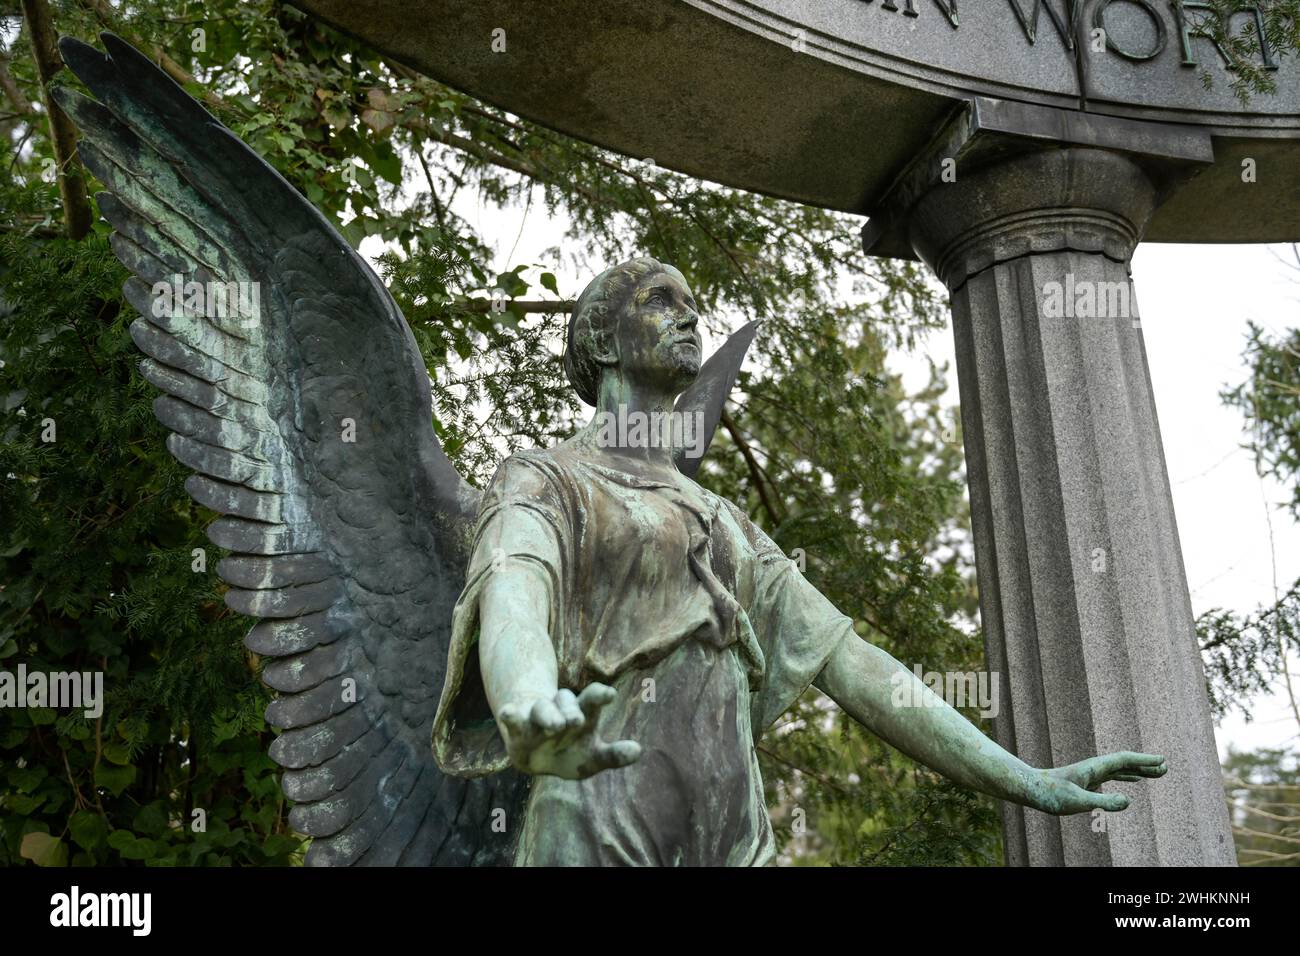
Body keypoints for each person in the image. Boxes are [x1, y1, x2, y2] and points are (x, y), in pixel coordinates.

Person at [431, 256, 1167, 866]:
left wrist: (1025, 780)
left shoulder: (725, 523)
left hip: (734, 829)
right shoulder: (549, 479)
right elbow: (515, 585)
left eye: (694, 303)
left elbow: (860, 668)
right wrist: (527, 703)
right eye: (662, 301)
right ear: (601, 342)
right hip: (597, 816)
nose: (690, 316)